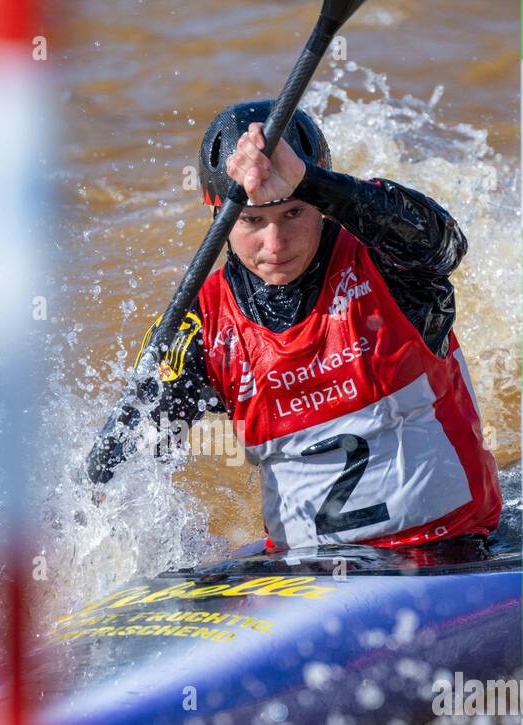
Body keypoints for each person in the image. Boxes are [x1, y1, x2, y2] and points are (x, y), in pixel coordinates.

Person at [85, 100, 501, 551]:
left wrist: (310, 180)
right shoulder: (200, 325)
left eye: (294, 213)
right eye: (251, 220)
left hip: (453, 548)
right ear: (217, 216)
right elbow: (127, 460)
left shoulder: (385, 264)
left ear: (321, 204)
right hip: (302, 576)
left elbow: (444, 245)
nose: (275, 243)